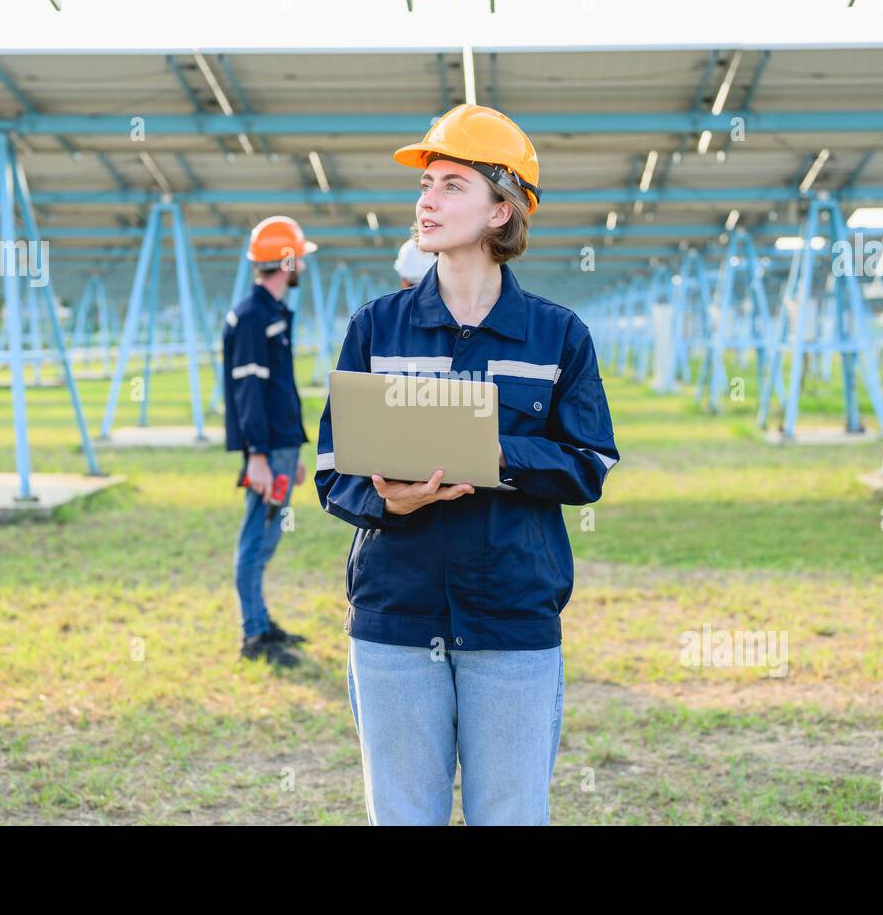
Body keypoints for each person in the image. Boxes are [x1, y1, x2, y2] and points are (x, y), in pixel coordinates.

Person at [314, 104, 620, 824]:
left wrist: (485, 453)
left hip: (510, 617)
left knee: (510, 815)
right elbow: (333, 469)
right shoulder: (374, 327)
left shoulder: (556, 336)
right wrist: (392, 501)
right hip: (395, 616)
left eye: (452, 184)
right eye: (425, 185)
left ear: (499, 210)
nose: (427, 200)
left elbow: (588, 464)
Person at [223, 215, 316, 668]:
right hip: (265, 453)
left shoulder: (272, 314)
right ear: (286, 260)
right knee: (256, 541)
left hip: (279, 449)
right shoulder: (252, 318)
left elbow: (277, 390)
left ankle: (261, 621)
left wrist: (290, 450)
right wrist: (258, 458)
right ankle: (253, 634)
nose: (303, 264)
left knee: (267, 537)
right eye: (299, 256)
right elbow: (249, 394)